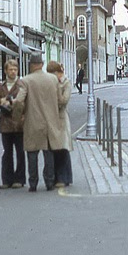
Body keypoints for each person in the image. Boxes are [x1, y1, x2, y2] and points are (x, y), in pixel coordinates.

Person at [20, 53, 65, 192]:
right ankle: (49, 182)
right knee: (49, 153)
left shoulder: (26, 81)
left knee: (32, 154)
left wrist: (20, 115)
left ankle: (33, 183)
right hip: (50, 122)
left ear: (31, 65)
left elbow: (19, 101)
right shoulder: (53, 79)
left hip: (32, 122)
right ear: (42, 64)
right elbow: (60, 100)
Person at [0, 59, 26, 189]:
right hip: (5, 124)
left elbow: (26, 103)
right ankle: (7, 180)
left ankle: (19, 179)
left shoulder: (22, 85)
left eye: (15, 69)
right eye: (11, 69)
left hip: (19, 123)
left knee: (20, 152)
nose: (13, 72)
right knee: (7, 152)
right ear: (6, 71)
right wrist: (2, 100)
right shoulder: (0, 86)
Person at [47, 60, 73, 188]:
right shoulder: (51, 83)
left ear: (58, 72)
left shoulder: (66, 83)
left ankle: (64, 177)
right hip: (51, 118)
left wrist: (56, 90)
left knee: (62, 148)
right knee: (53, 149)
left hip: (61, 118)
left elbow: (63, 100)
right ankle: (55, 177)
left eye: (53, 74)